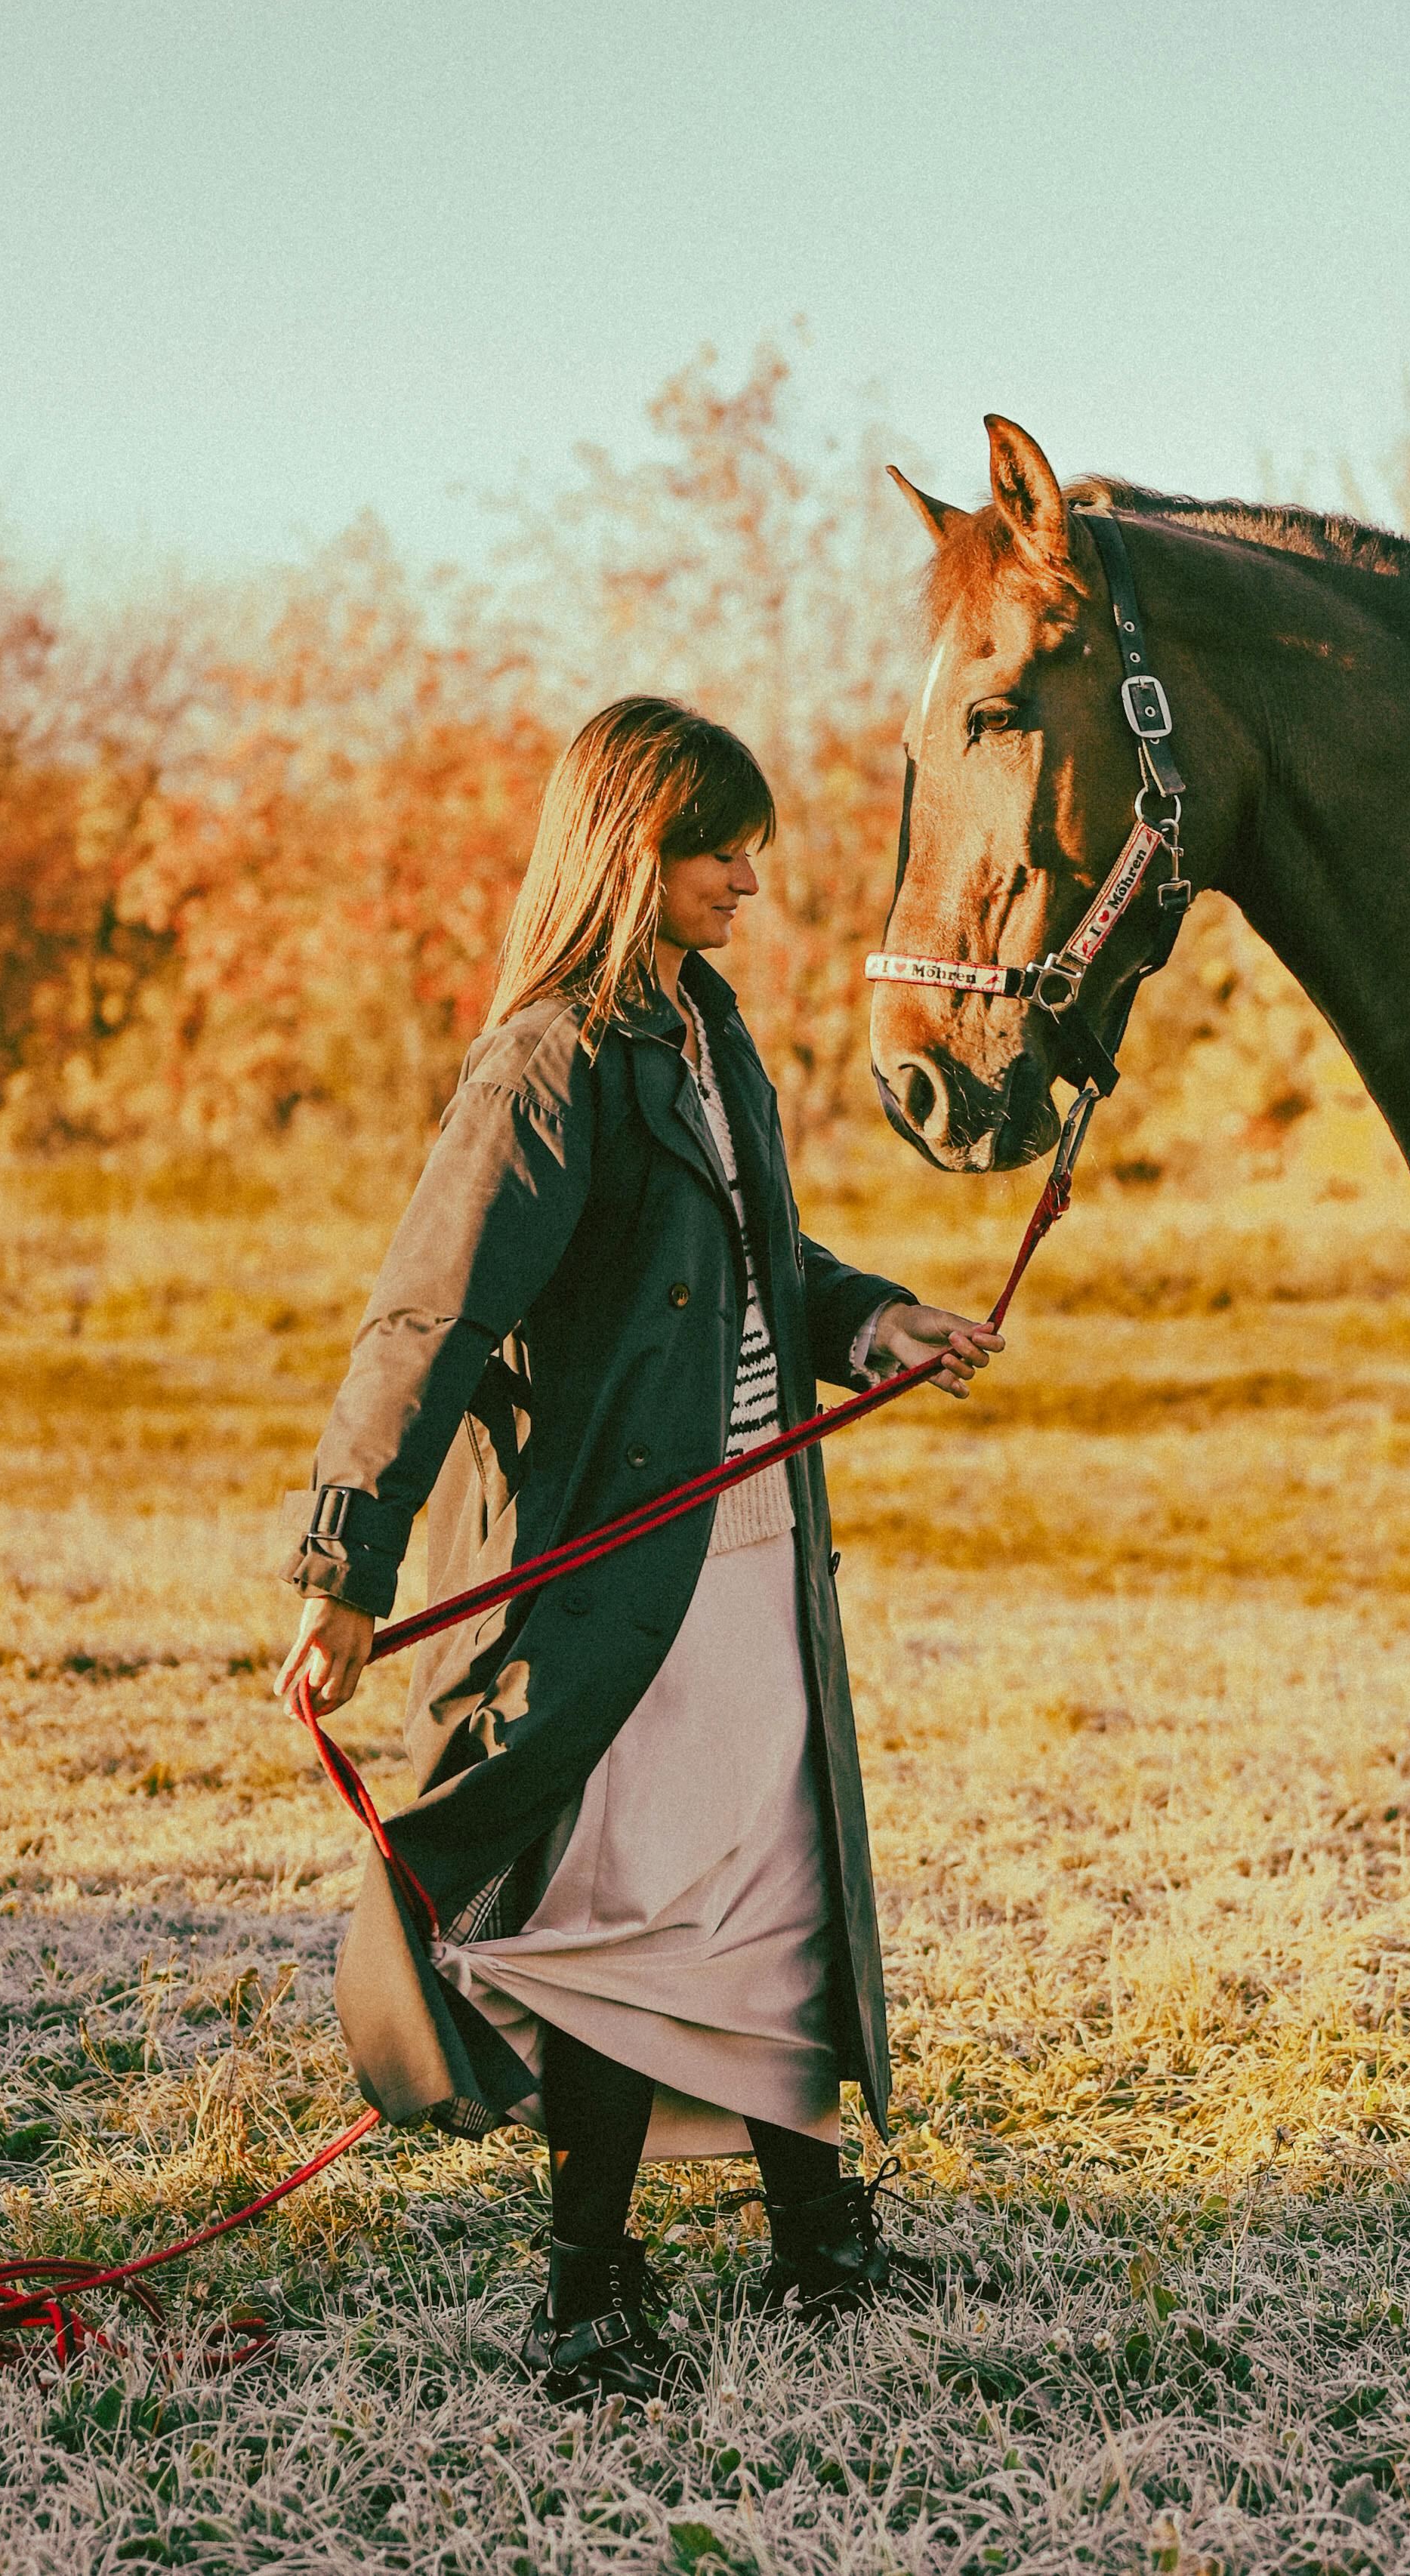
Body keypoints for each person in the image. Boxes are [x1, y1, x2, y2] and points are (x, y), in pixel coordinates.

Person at [273, 696, 999, 2405]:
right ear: (625, 848)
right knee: (634, 1901)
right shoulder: (544, 1059)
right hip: (618, 1561)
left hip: (755, 1537)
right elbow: (426, 1323)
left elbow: (756, 1255)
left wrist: (873, 1317)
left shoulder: (703, 1023)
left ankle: (814, 2231)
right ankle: (587, 2287)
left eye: (748, 844)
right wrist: (341, 1566)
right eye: (712, 846)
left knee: (772, 1873)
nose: (747, 875)